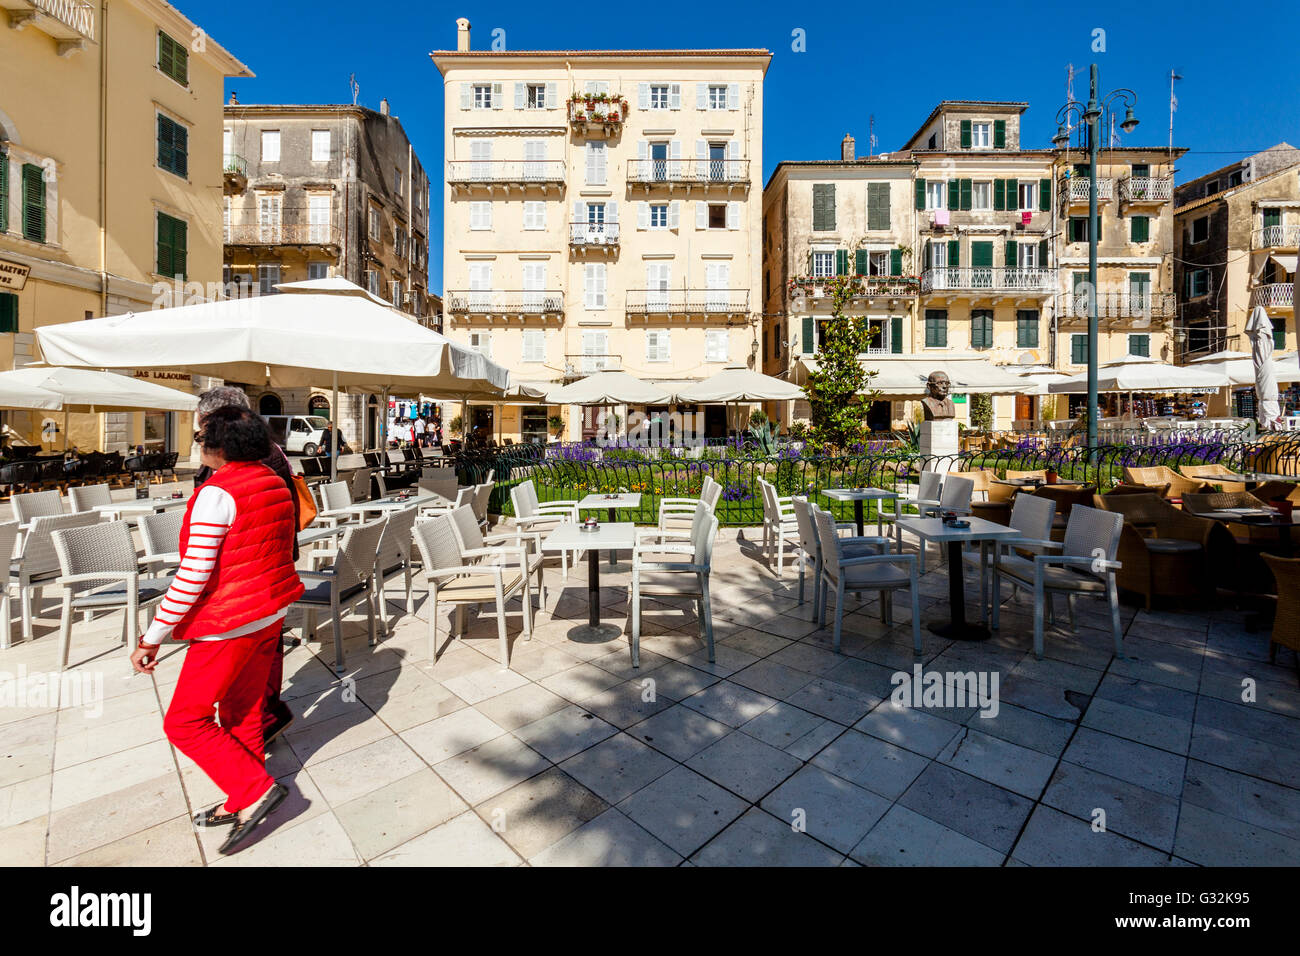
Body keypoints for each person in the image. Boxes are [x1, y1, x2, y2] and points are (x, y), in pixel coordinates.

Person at [132, 407, 303, 855]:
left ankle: (253, 790)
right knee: (242, 709)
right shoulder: (272, 481)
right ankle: (240, 798)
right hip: (268, 610)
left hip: (230, 620)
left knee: (185, 722)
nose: (198, 445)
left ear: (219, 444)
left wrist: (153, 635)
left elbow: (193, 574)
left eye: (201, 437)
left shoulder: (217, 493)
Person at [192, 386, 298, 746]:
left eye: (202, 429)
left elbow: (226, 521)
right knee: (264, 653)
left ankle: (255, 726)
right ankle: (264, 716)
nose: (200, 438)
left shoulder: (243, 462)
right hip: (270, 569)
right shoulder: (271, 453)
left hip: (245, 577)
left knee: (244, 665)